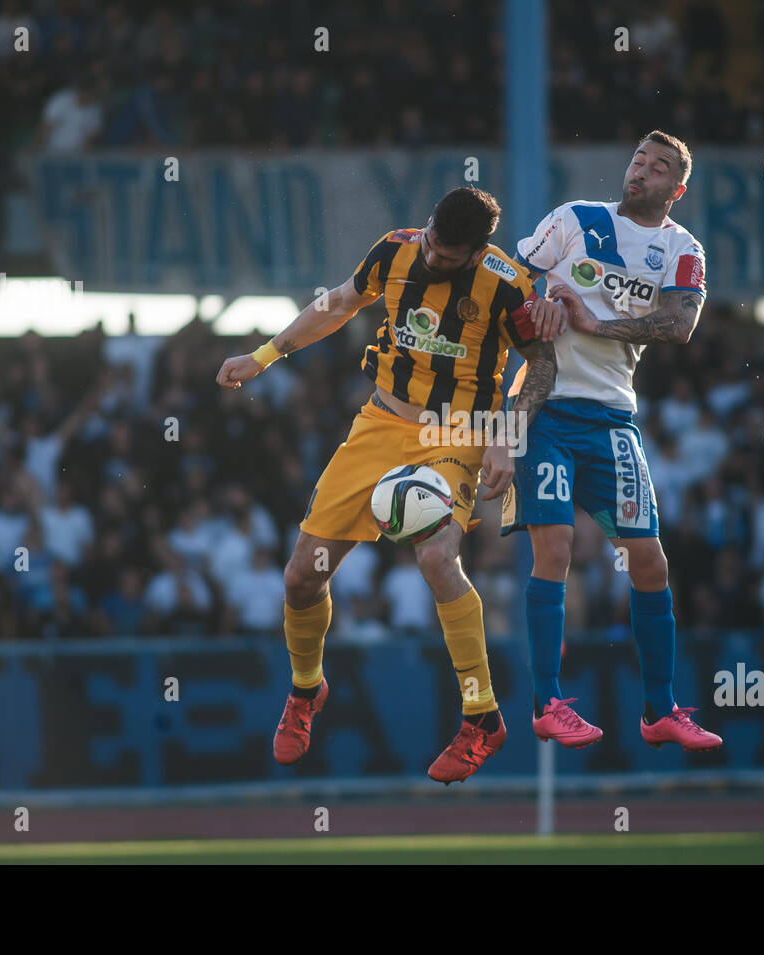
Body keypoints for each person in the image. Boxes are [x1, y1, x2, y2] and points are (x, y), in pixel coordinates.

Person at [216, 187, 565, 784]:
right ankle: (306, 690)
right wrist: (266, 354)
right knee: (303, 574)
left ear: (477, 253)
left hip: (457, 432)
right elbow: (339, 304)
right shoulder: (396, 250)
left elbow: (542, 362)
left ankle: (481, 716)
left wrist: (507, 435)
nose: (433, 257)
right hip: (380, 423)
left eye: (449, 256)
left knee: (435, 556)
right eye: (431, 241)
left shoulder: (506, 284)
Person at [502, 131, 724, 753]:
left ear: (676, 190)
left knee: (649, 561)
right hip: (544, 407)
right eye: (636, 161)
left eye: (657, 169)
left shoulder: (683, 250)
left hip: (612, 417)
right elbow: (515, 279)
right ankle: (548, 703)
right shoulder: (575, 220)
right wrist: (539, 304)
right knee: (556, 550)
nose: (640, 173)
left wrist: (597, 322)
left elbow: (680, 324)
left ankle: (661, 710)